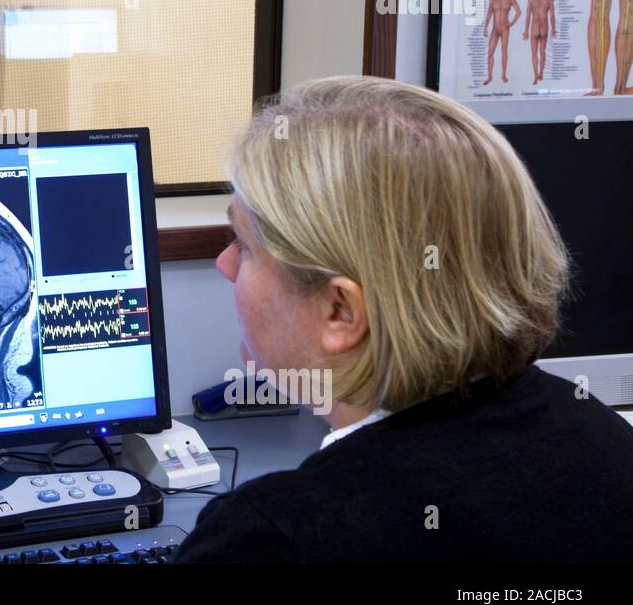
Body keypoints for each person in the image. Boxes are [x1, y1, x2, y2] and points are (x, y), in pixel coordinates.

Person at [174, 76, 633, 562]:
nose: (224, 265)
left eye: (244, 245)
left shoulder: (274, 538)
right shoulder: (603, 438)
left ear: (341, 311)